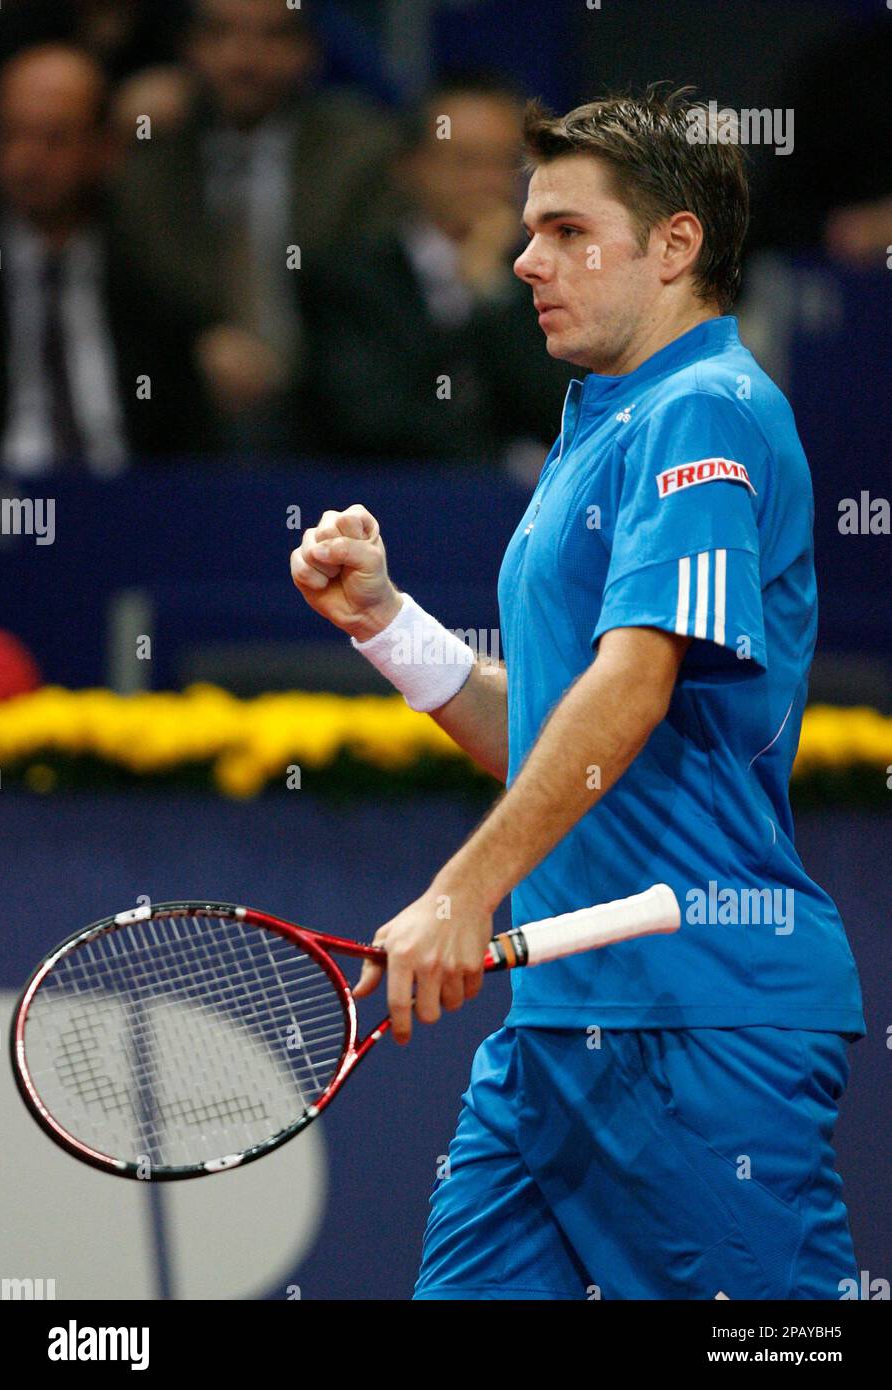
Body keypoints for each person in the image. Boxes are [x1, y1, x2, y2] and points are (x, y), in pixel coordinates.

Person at [289, 87, 865, 1300]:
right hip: (559, 1025)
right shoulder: (604, 414)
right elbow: (560, 733)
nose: (523, 259)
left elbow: (632, 690)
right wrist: (389, 626)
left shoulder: (703, 406)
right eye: (527, 227)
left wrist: (460, 891)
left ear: (674, 247)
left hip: (699, 1022)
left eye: (564, 231)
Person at [112, 0, 400, 455]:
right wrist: (196, 347)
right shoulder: (154, 163)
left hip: (330, 412)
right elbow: (139, 303)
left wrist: (294, 372)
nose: (244, 59)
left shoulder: (360, 154)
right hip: (185, 416)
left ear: (308, 49)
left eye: (271, 36)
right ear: (189, 48)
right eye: (220, 34)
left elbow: (374, 305)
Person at [300, 73, 574, 466]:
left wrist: (491, 291)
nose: (489, 183)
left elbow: (560, 410)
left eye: (507, 163)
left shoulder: (555, 279)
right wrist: (503, 458)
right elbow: (371, 421)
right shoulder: (348, 280)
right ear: (410, 166)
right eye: (466, 162)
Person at [0, 44, 211, 475]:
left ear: (105, 149)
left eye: (54, 139)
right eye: (11, 135)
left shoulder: (150, 270)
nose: (27, 160)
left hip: (127, 505)